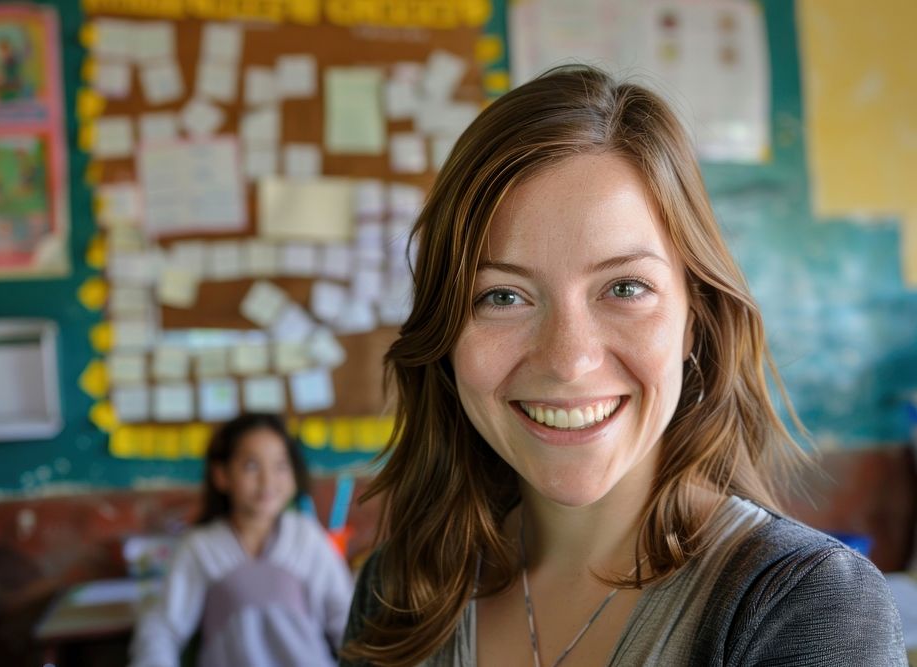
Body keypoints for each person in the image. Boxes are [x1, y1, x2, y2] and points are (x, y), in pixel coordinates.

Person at [339, 65, 906, 666]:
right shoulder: (397, 592)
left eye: (625, 288)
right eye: (502, 296)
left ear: (696, 317)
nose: (568, 360)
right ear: (446, 334)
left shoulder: (807, 608)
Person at [130, 413, 355, 667]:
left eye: (280, 465)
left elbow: (345, 619)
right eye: (251, 466)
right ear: (221, 475)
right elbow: (162, 628)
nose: (267, 480)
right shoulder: (201, 548)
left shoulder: (307, 537)